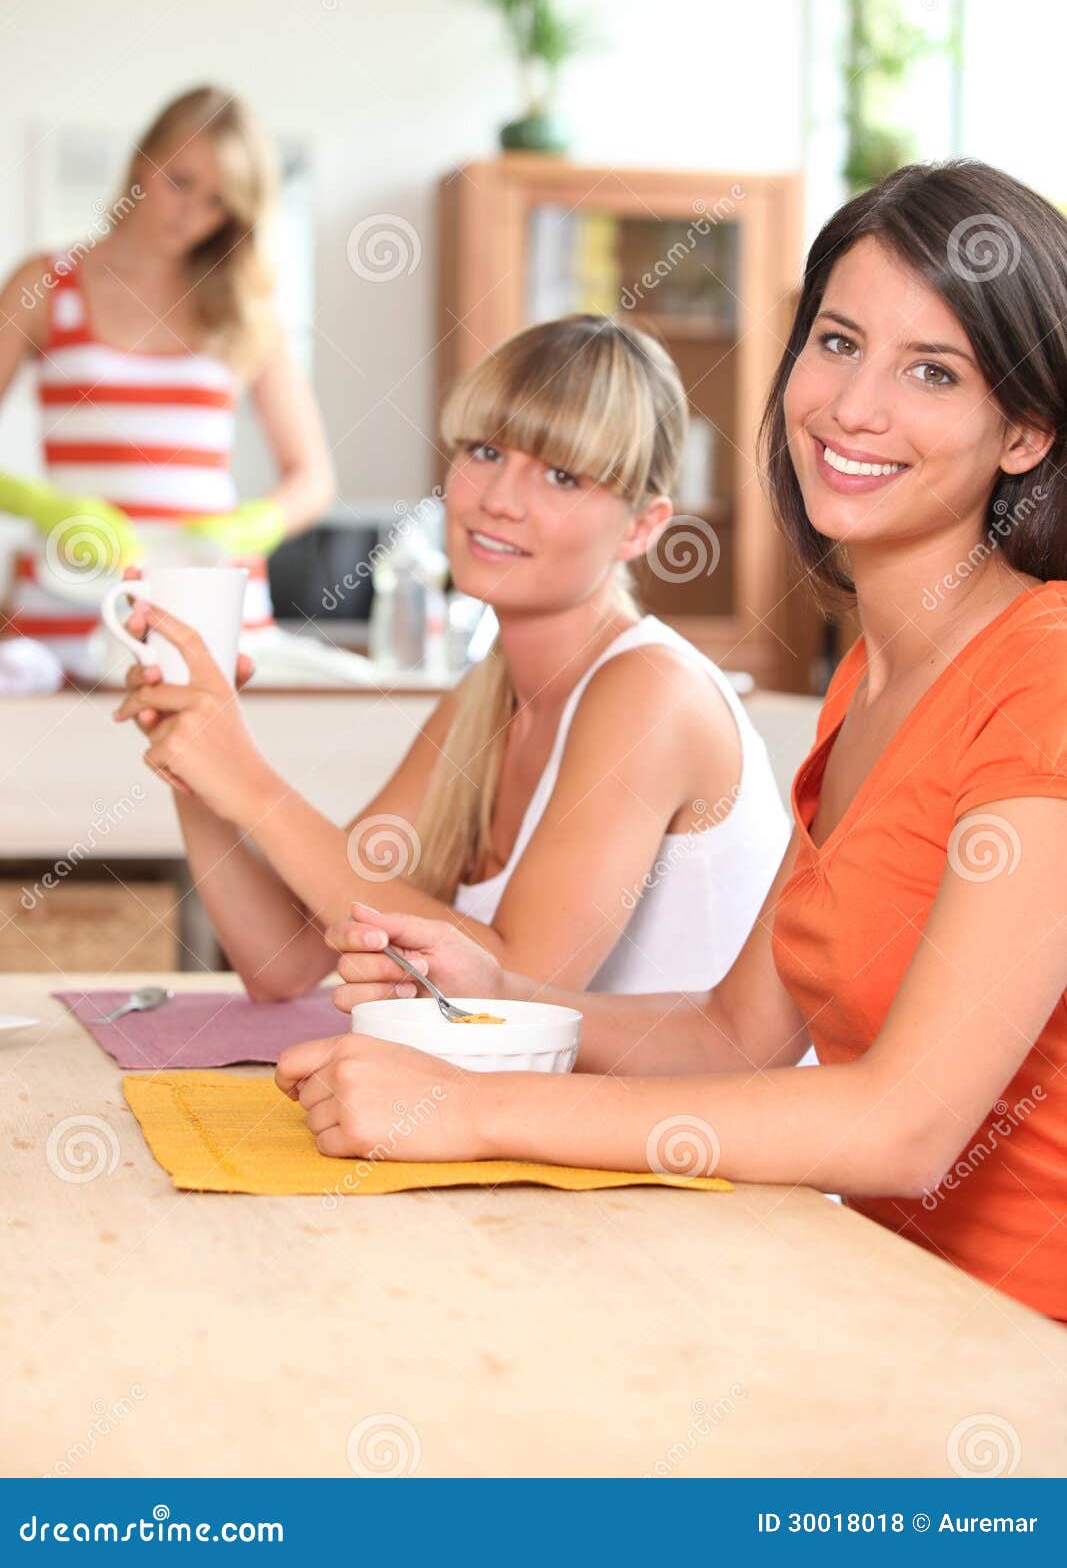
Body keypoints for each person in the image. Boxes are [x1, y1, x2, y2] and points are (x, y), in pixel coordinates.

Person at [278, 162, 1067, 1324]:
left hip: (1012, 1361)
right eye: (837, 342)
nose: (853, 407)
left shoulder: (1041, 670)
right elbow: (735, 1033)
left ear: (1023, 433)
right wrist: (501, 997)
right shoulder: (869, 677)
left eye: (932, 371)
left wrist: (470, 1105)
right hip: (882, 1303)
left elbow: (904, 1125)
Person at [113, 315, 790, 998]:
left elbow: (520, 987)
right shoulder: (484, 702)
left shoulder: (650, 691)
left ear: (642, 527)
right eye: (486, 453)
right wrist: (194, 754)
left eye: (560, 475)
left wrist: (250, 781)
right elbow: (283, 960)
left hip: (685, 1109)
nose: (497, 501)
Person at [0, 84, 335, 677]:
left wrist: (253, 524)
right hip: (66, 612)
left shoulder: (245, 309)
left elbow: (313, 478)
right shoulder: (47, 284)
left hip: (206, 609)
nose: (192, 214)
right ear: (141, 160)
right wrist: (41, 505)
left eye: (218, 203)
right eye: (179, 182)